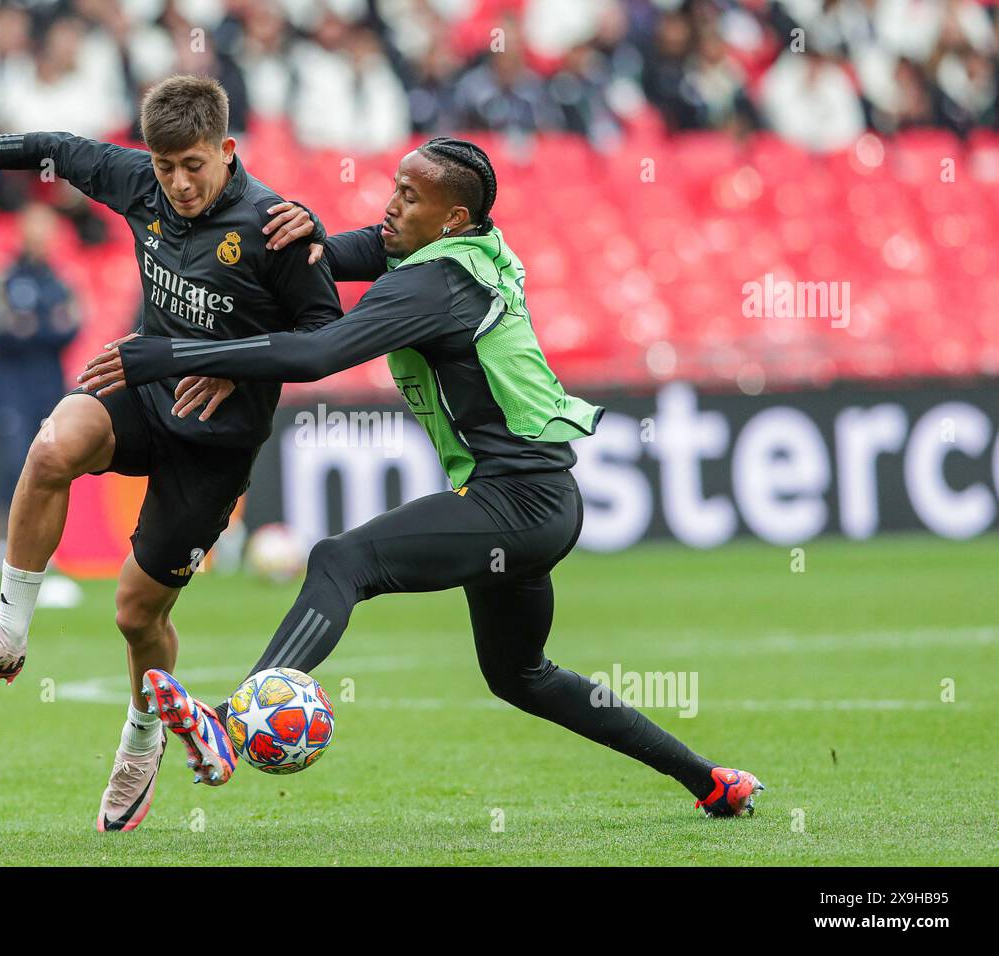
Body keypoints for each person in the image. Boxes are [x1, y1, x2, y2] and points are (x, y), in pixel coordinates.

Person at [81, 137, 765, 817]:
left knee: (342, 560)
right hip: (539, 500)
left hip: (516, 498)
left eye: (409, 197)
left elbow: (320, 352)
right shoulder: (457, 249)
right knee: (521, 676)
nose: (391, 205)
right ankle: (710, 782)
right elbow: (327, 257)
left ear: (452, 220)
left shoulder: (437, 281)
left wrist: (169, 353)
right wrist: (302, 231)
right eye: (395, 187)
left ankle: (230, 726)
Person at [0, 74, 343, 830]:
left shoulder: (277, 227)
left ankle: (141, 738)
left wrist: (229, 360)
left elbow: (325, 346)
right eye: (165, 168)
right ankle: (7, 630)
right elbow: (50, 148)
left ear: (226, 150)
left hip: (215, 445)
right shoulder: (141, 184)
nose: (180, 184)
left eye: (194, 165)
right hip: (146, 391)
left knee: (134, 615)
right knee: (55, 443)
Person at [0, 203, 80, 535]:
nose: (41, 238)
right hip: (13, 388)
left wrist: (33, 327)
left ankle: (41, 542)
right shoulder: (6, 278)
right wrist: (46, 327)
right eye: (35, 230)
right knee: (13, 464)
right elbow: (5, 328)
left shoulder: (62, 280)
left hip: (50, 388)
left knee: (50, 464)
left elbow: (72, 327)